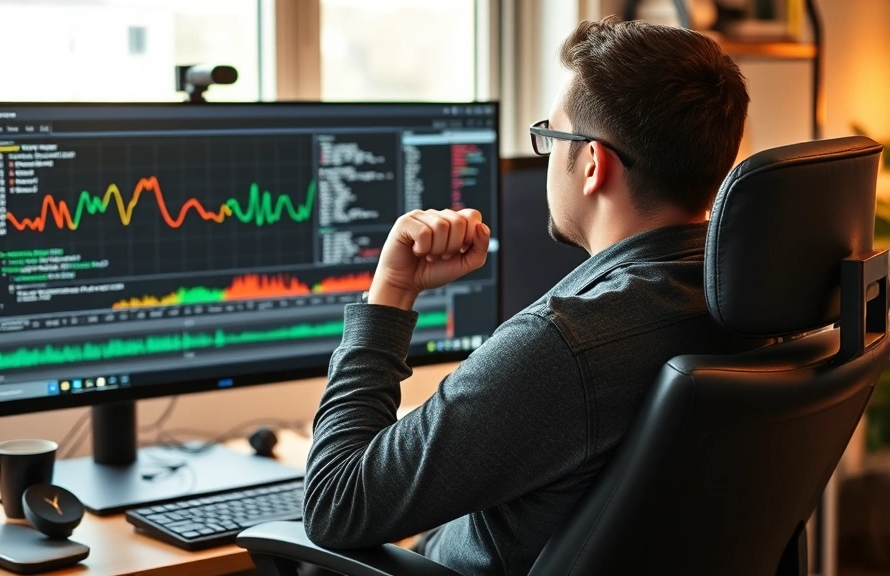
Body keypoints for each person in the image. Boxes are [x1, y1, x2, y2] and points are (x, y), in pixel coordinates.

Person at [301, 15, 768, 576]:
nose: (546, 156)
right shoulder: (755, 302)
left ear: (592, 164)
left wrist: (391, 291)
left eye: (551, 137)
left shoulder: (565, 344)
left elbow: (335, 504)